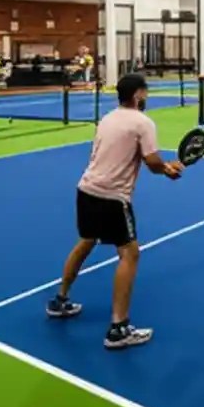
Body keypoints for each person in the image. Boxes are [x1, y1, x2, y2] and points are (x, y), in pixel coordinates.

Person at [46, 74, 184, 350]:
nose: (147, 98)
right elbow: (152, 161)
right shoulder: (143, 123)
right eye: (145, 93)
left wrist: (163, 167)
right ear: (137, 96)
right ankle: (119, 328)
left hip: (86, 189)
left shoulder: (108, 118)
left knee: (86, 241)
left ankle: (60, 301)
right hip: (112, 197)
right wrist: (168, 169)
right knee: (129, 254)